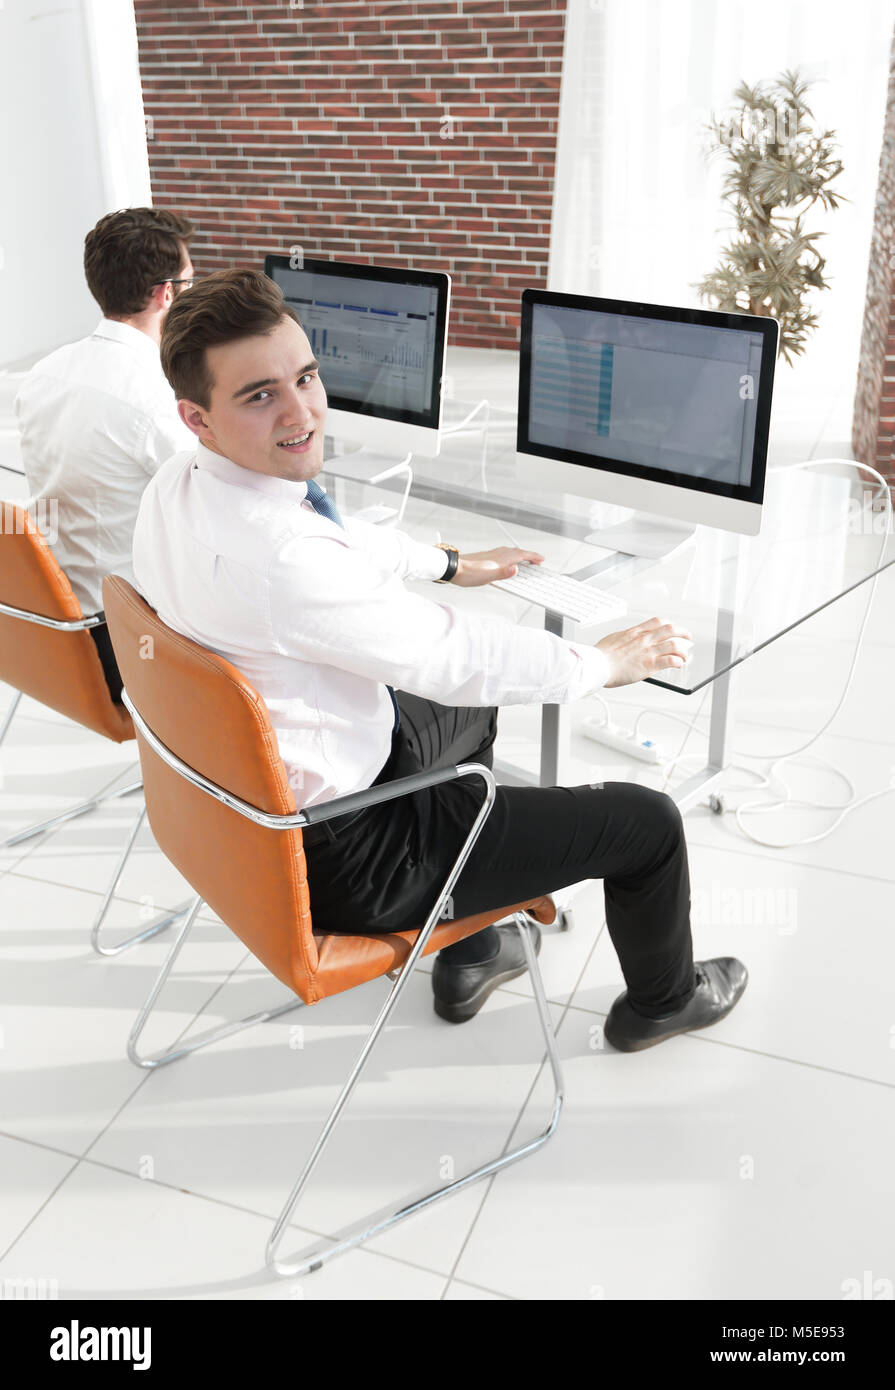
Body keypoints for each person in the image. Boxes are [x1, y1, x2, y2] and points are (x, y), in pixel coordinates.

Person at [131, 268, 748, 1051]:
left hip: (250, 823)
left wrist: (446, 562)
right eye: (261, 396)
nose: (302, 412)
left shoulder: (177, 485)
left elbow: (335, 545)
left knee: (460, 714)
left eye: (307, 377)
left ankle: (474, 949)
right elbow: (449, 653)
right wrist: (596, 666)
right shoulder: (282, 560)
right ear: (199, 417)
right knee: (646, 822)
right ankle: (662, 1003)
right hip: (355, 858)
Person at [15, 207, 196, 701]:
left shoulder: (43, 374)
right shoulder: (156, 398)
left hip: (55, 628)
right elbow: (214, 506)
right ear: (167, 294)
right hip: (130, 649)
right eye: (189, 282)